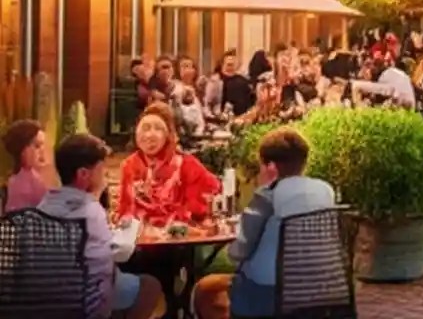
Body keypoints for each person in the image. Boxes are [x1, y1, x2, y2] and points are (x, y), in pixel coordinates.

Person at [192, 128, 336, 319]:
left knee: (205, 289)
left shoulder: (266, 196)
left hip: (266, 294)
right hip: (319, 291)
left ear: (271, 168)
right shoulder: (325, 191)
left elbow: (237, 253)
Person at [38, 134, 164, 319]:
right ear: (83, 174)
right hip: (86, 294)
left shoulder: (45, 204)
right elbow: (116, 253)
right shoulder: (90, 211)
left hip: (49, 293)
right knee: (150, 285)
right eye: (102, 169)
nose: (105, 174)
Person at [116, 103, 221, 226]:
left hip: (180, 238)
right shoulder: (130, 165)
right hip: (139, 239)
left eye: (158, 128)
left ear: (168, 135)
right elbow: (125, 212)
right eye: (145, 128)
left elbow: (210, 192)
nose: (150, 135)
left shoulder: (186, 164)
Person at [3, 119, 49, 212]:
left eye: (43, 145)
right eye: (37, 146)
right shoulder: (25, 182)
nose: (42, 151)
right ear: (22, 150)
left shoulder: (36, 178)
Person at [217, 51, 254, 116]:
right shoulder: (217, 81)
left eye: (233, 65)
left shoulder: (243, 81)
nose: (231, 67)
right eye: (229, 65)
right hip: (222, 119)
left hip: (243, 119)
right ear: (222, 65)